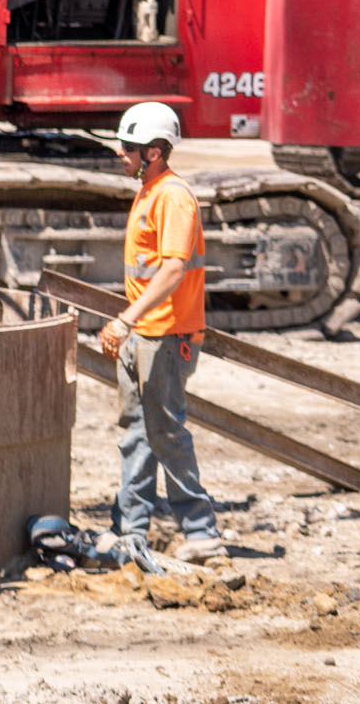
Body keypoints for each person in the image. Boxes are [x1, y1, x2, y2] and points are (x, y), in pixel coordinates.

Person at [99, 101, 224, 565]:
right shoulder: (148, 191)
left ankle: (201, 531)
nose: (119, 153)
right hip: (143, 334)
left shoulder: (173, 197)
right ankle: (129, 530)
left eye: (128, 147)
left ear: (153, 152)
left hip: (166, 336)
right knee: (135, 431)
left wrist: (125, 319)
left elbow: (172, 272)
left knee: (166, 432)